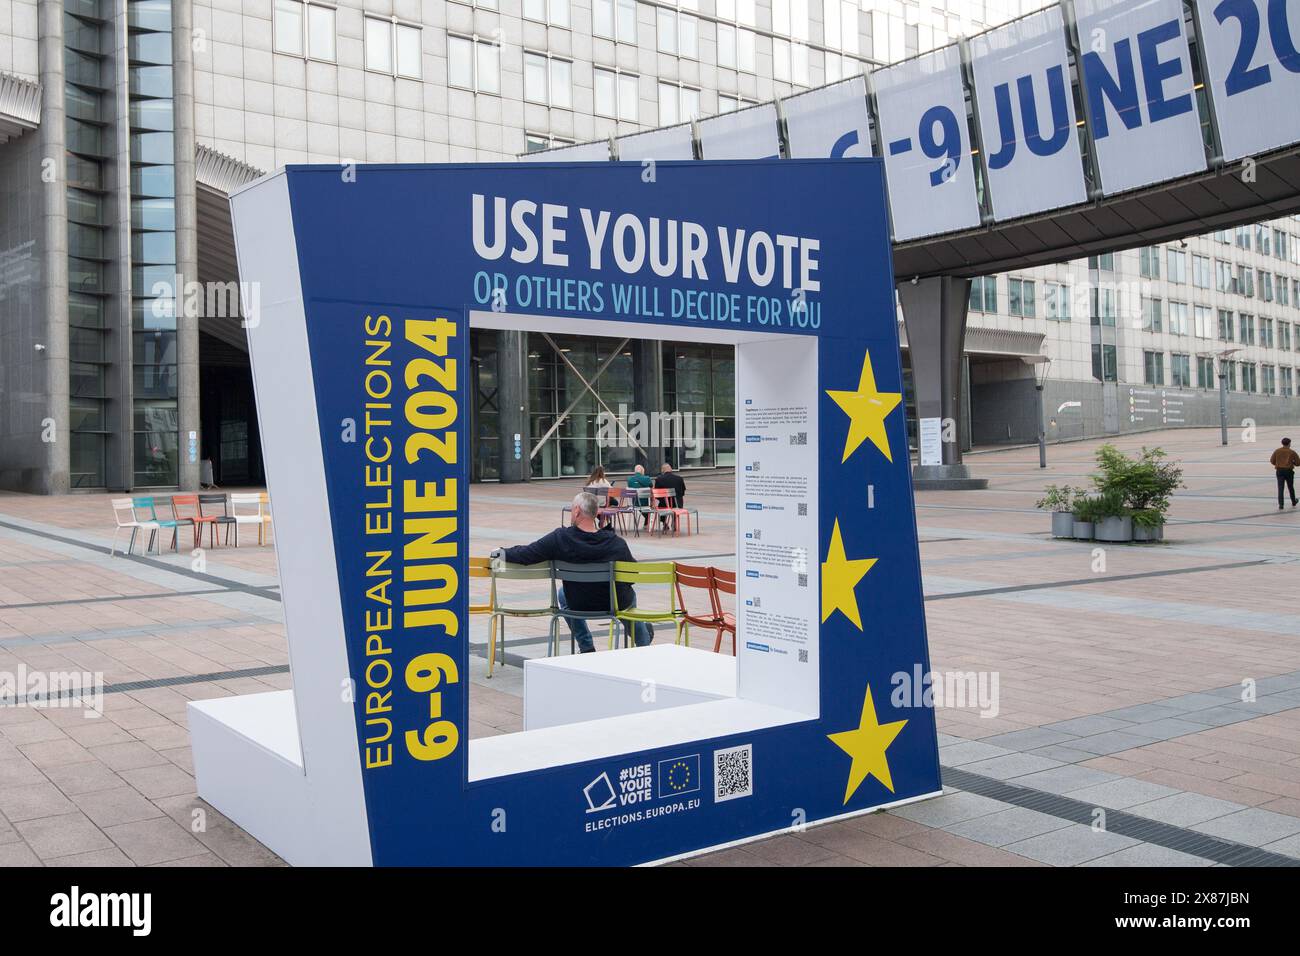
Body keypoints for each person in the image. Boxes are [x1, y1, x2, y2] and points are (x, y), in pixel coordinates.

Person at [492, 493, 653, 653]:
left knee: (563, 594)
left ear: (576, 511)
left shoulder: (560, 538)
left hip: (578, 603)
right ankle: (643, 643)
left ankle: (586, 646)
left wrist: (501, 552)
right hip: (613, 605)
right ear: (596, 513)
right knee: (627, 597)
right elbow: (632, 575)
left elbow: (527, 554)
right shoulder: (616, 543)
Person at [653, 461, 687, 530]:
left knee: (661, 504)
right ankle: (674, 521)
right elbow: (682, 492)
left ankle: (664, 523)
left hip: (665, 504)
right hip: (677, 504)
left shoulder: (659, 479)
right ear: (671, 469)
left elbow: (657, 495)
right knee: (675, 505)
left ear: (662, 470)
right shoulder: (679, 478)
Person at [1271, 438, 1300, 510]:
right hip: (1289, 471)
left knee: (1280, 488)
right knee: (1290, 487)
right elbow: (1298, 463)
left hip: (1279, 471)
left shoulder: (1277, 451)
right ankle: (1293, 501)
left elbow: (1272, 460)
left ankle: (1281, 505)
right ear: (1289, 443)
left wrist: (1278, 463)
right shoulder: (1292, 452)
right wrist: (1292, 463)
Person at [626, 464, 653, 528]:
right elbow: (651, 487)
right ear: (642, 471)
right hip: (645, 503)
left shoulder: (630, 479)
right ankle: (647, 523)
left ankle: (646, 523)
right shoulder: (647, 478)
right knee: (648, 505)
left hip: (634, 503)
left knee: (642, 507)